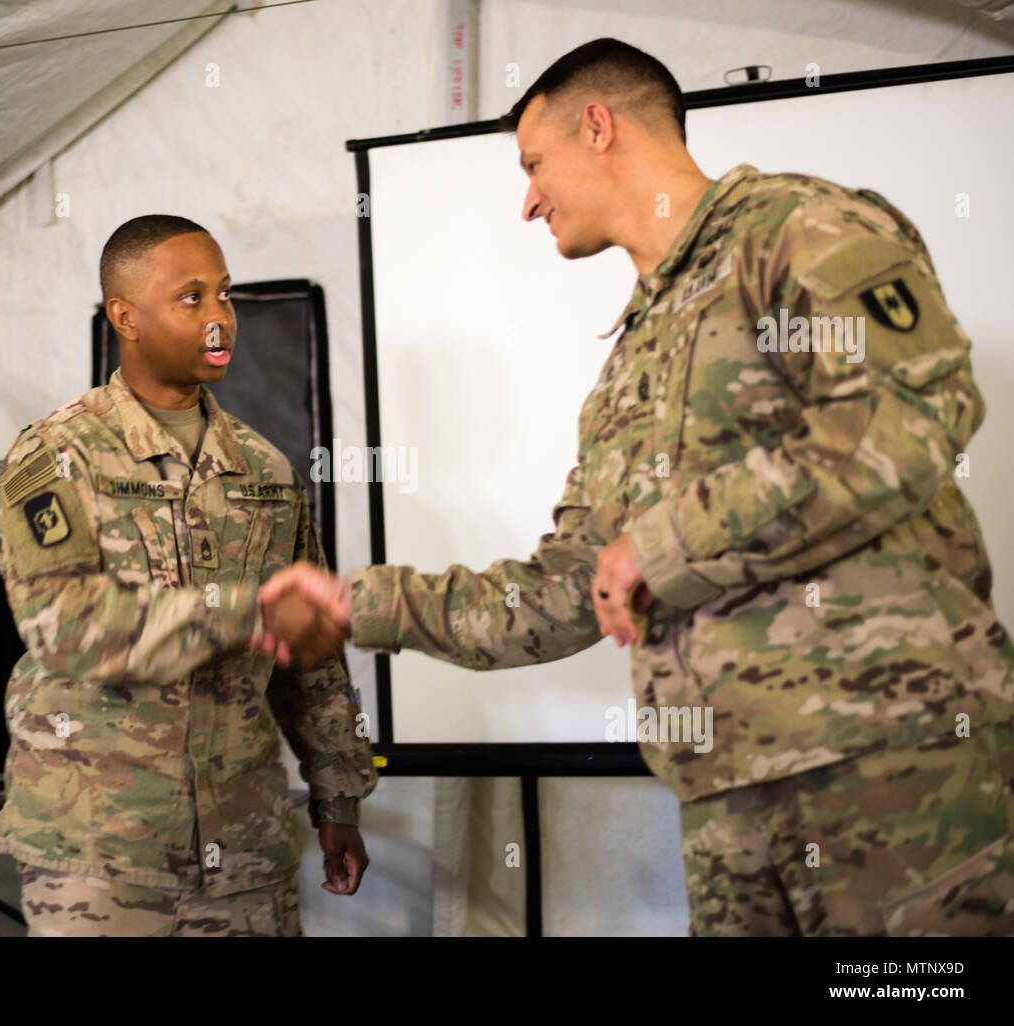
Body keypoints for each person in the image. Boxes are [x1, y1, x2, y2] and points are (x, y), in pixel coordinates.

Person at [255, 39, 1014, 936]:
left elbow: (910, 413)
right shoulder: (627, 370)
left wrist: (663, 545)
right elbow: (569, 591)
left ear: (599, 125)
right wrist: (357, 606)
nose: (529, 198)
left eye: (534, 164)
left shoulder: (797, 230)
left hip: (886, 762)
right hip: (725, 791)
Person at [0, 214, 375, 936]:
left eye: (225, 296)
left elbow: (312, 656)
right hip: (100, 857)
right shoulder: (57, 458)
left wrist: (338, 800)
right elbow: (70, 629)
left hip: (245, 854)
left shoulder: (265, 470)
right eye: (191, 298)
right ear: (125, 317)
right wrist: (251, 614)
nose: (220, 318)